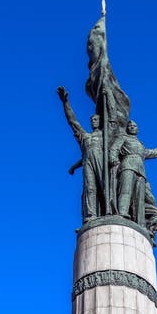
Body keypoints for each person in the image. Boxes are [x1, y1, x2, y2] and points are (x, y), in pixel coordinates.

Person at [110, 120, 157, 233]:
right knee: (125, 191)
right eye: (130, 126)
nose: (132, 127)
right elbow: (114, 148)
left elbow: (151, 153)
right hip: (128, 165)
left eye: (134, 126)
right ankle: (122, 213)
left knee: (139, 198)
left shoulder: (140, 145)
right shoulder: (123, 138)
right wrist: (113, 157)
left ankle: (140, 223)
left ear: (137, 129)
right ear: (127, 128)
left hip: (141, 171)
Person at [57, 86, 105, 221]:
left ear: (101, 122)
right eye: (92, 120)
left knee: (104, 189)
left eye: (95, 119)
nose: (93, 121)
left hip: (102, 164)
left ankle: (109, 212)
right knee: (90, 188)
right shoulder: (85, 136)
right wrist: (65, 102)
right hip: (88, 163)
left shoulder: (106, 137)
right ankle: (91, 215)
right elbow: (72, 121)